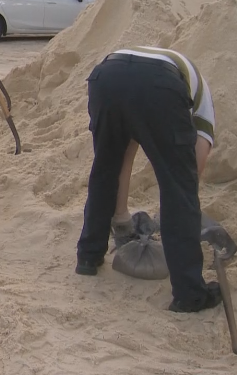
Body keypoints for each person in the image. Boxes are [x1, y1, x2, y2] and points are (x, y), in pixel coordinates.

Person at [75, 46, 221, 313]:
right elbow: (195, 163)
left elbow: (122, 157)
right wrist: (183, 213)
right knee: (179, 186)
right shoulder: (202, 100)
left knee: (105, 167)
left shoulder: (165, 65)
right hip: (158, 86)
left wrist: (122, 217)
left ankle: (88, 256)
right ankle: (190, 295)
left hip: (106, 76)